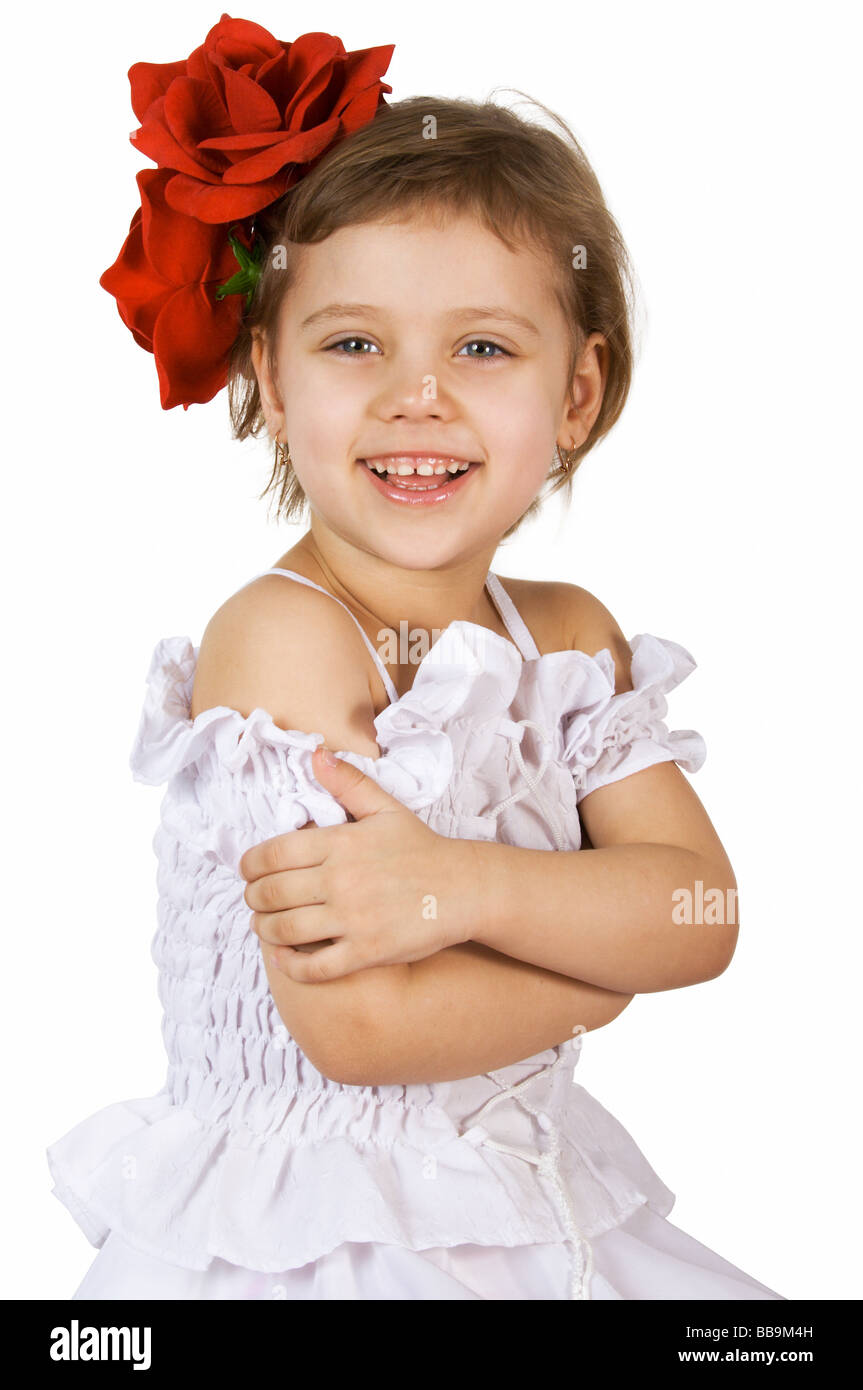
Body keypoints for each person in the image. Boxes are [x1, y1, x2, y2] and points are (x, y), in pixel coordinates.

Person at [46, 14, 784, 1301]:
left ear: (575, 394)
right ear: (270, 381)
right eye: (353, 343)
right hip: (311, 1244)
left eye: (483, 347)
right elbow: (360, 1027)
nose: (417, 394)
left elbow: (695, 913)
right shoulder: (279, 637)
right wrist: (597, 978)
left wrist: (457, 888)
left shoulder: (564, 635)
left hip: (529, 1204)